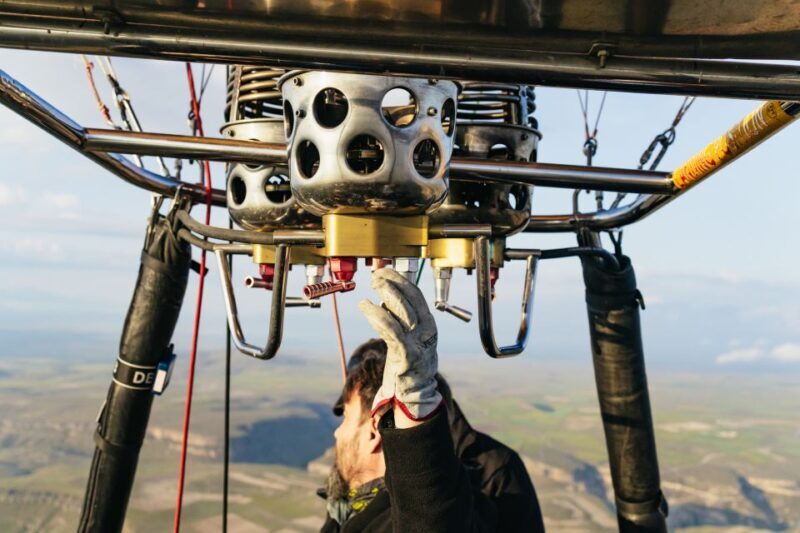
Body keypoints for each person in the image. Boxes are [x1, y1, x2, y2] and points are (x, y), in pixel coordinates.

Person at [320, 268, 544, 532]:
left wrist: (415, 421)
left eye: (346, 417)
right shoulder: (349, 508)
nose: (337, 432)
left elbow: (429, 518)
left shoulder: (484, 478)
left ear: (373, 432)